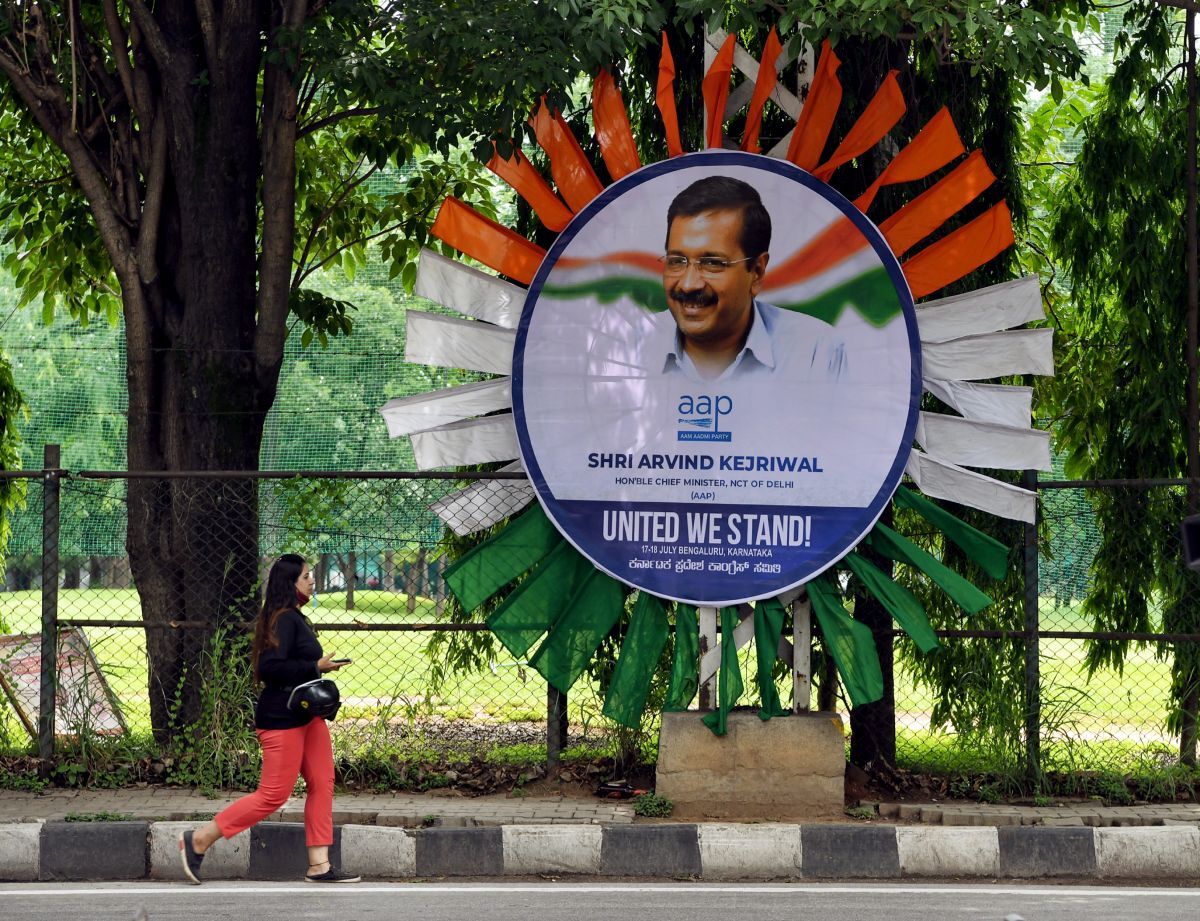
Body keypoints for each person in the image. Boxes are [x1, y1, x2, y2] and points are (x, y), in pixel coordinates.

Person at [178, 553, 359, 884]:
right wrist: (315, 668)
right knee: (273, 795)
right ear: (290, 583)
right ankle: (199, 839)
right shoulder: (282, 619)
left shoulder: (295, 617)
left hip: (307, 715)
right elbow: (269, 668)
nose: (312, 580)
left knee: (323, 782)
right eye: (306, 576)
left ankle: (319, 865)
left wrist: (315, 670)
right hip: (281, 716)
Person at [652, 174, 846, 383]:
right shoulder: (630, 347)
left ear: (757, 271)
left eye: (712, 263)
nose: (688, 285)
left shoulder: (815, 353)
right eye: (677, 261)